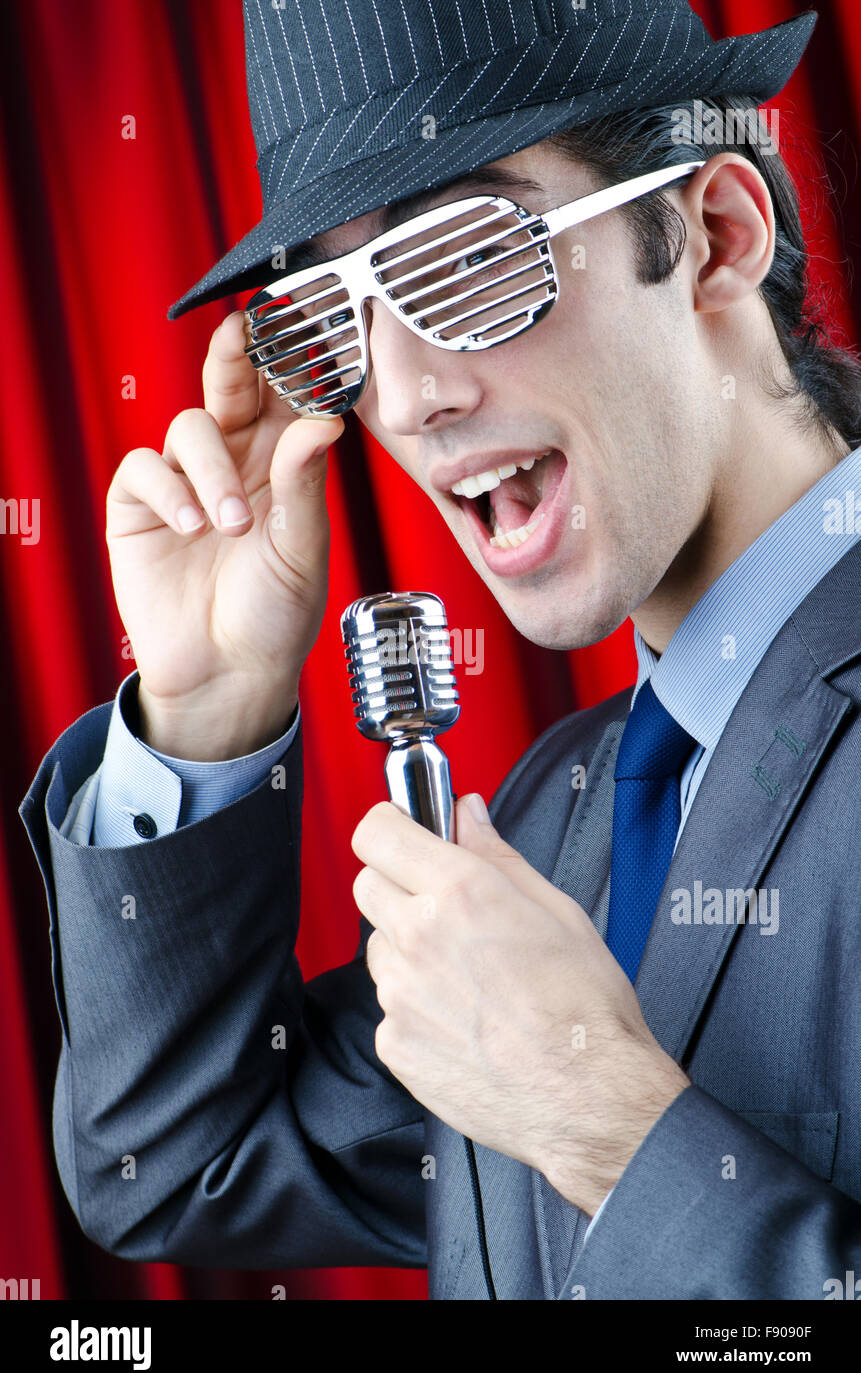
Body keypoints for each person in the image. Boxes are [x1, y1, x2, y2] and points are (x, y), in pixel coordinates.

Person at [19, 0, 861, 1299]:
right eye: (334, 318)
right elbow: (173, 1163)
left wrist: (602, 1116)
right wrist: (205, 709)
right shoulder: (542, 821)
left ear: (713, 236)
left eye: (466, 261)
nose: (406, 395)